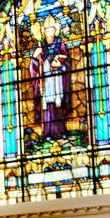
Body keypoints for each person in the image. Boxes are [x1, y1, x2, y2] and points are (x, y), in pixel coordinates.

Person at [30, 13, 72, 141]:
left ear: (56, 31)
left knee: (58, 107)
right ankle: (48, 132)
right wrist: (34, 58)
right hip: (46, 81)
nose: (49, 34)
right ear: (44, 33)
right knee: (48, 108)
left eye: (52, 30)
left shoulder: (61, 45)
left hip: (58, 79)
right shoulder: (41, 47)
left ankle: (61, 132)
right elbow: (34, 68)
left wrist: (61, 64)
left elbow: (67, 61)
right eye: (47, 31)